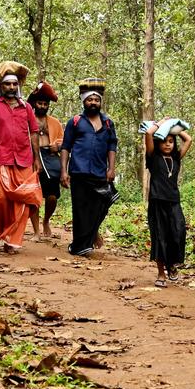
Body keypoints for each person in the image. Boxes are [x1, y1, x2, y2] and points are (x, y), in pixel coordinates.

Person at [0, 62, 42, 253]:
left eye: (15, 84)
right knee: (2, 200)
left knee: (24, 200)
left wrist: (37, 159)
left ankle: (12, 240)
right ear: (0, 86)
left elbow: (33, 134)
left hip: (24, 160)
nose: (12, 88)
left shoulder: (27, 109)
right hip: (2, 159)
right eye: (7, 84)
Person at [60, 78, 118, 256]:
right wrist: (63, 171)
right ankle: (79, 247)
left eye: (97, 100)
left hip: (100, 172)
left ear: (100, 102)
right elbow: (65, 147)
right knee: (80, 210)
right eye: (90, 99)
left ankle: (92, 234)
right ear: (84, 101)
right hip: (78, 172)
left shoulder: (108, 123)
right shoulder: (75, 121)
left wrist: (111, 168)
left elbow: (112, 146)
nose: (93, 102)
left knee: (101, 204)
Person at [143, 119, 192, 287]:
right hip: (157, 202)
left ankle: (172, 264)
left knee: (178, 233)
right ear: (158, 143)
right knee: (160, 237)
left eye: (171, 141)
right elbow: (149, 134)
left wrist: (172, 127)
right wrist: (161, 124)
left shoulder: (176, 158)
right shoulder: (153, 157)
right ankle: (161, 273)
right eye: (164, 141)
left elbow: (189, 140)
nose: (168, 144)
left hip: (174, 202)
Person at [27, 81, 64, 238]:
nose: (42, 106)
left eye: (45, 104)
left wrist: (57, 146)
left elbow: (64, 142)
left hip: (51, 158)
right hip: (31, 158)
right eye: (39, 103)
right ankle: (36, 231)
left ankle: (46, 220)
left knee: (52, 196)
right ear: (35, 104)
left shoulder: (55, 123)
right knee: (33, 196)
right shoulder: (27, 120)